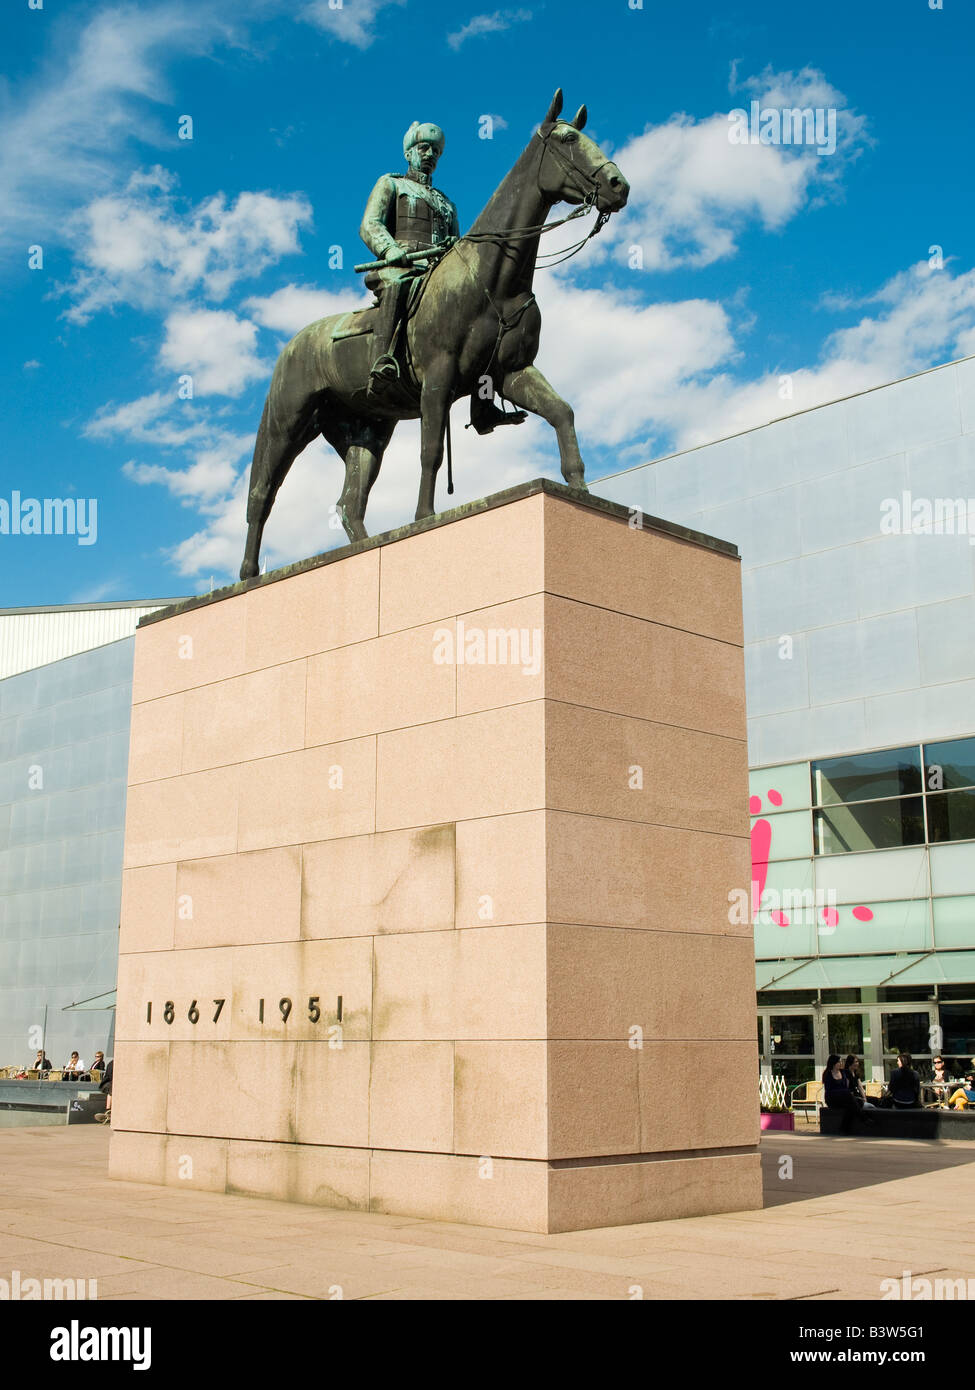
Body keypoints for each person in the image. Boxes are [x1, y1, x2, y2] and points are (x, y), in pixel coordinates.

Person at [359, 122, 524, 433]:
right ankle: (382, 362)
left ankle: (483, 405)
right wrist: (390, 249)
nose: (430, 155)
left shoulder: (447, 203)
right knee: (398, 283)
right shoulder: (391, 184)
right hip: (403, 265)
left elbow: (460, 248)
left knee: (481, 318)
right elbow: (370, 225)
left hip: (438, 273)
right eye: (424, 149)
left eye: (436, 151)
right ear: (408, 153)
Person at [823, 1054, 859, 1131]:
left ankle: (844, 1127)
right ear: (834, 1063)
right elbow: (829, 1090)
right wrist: (843, 1092)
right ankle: (863, 1118)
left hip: (844, 1098)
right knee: (850, 1099)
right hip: (833, 1099)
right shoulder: (828, 1074)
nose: (841, 1063)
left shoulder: (843, 1072)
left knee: (855, 1104)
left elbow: (846, 1086)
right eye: (839, 1062)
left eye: (841, 1061)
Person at [94, 1058, 113, 1125]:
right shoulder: (112, 1063)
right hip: (107, 1084)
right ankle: (108, 1110)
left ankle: (109, 1110)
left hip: (109, 1083)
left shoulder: (112, 1062)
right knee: (112, 1090)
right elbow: (110, 1076)